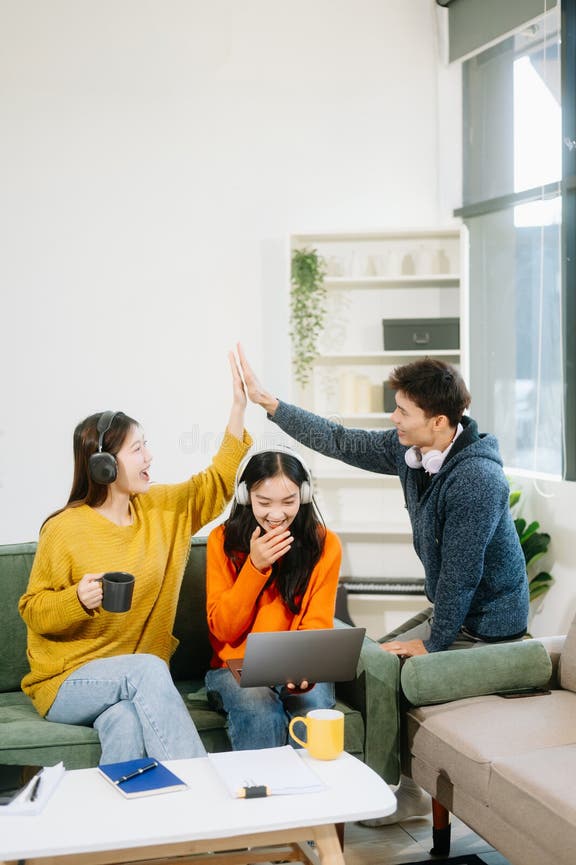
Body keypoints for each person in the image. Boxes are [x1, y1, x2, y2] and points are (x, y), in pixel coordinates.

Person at [237, 345, 529, 821]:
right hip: (453, 614)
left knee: (383, 671)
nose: (393, 418)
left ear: (438, 421)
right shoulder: (409, 452)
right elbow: (340, 440)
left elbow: (462, 574)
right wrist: (271, 404)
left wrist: (433, 644)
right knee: (367, 664)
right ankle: (385, 788)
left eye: (402, 411)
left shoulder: (477, 480)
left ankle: (389, 794)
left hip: (489, 629)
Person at [19, 354, 252, 765]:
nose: (149, 457)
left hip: (129, 683)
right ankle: (204, 791)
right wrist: (77, 599)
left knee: (124, 722)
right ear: (104, 466)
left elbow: (217, 481)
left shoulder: (162, 509)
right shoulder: (64, 529)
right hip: (66, 681)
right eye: (138, 449)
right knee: (146, 669)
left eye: (147, 446)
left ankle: (123, 807)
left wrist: (238, 406)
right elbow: (34, 611)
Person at [204, 444, 342, 750]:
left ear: (304, 495)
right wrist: (254, 568)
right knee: (260, 710)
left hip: (296, 663)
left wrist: (305, 667)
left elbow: (317, 624)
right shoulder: (222, 541)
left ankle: (311, 782)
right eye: (264, 502)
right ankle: (263, 782)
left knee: (312, 709)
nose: (277, 515)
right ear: (245, 496)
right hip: (233, 667)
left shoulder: (325, 544)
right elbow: (224, 630)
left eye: (288, 501)